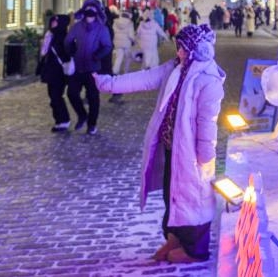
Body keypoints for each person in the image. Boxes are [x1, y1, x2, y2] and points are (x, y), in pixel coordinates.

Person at [93, 24, 226, 264]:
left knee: (193, 197)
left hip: (192, 153)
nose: (179, 52)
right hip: (171, 147)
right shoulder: (176, 68)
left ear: (196, 49)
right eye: (178, 48)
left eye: (183, 48)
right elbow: (145, 79)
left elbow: (207, 122)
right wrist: (109, 83)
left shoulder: (208, 79)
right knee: (172, 193)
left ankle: (195, 250)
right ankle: (176, 237)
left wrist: (205, 156)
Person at [65, 0, 112, 134]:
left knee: (93, 97)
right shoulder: (77, 26)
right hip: (78, 67)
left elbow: (107, 46)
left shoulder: (101, 29)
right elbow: (68, 40)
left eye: (92, 14)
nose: (89, 17)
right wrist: (71, 51)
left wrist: (97, 56)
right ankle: (82, 115)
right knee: (72, 93)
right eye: (87, 14)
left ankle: (92, 124)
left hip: (93, 68)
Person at [38, 14, 72, 132]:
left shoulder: (63, 37)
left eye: (55, 22)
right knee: (52, 96)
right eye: (52, 22)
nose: (53, 24)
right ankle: (59, 120)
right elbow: (44, 53)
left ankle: (64, 120)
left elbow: (67, 54)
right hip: (50, 70)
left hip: (59, 72)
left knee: (56, 96)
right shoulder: (50, 35)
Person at [110, 5, 136, 103]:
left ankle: (115, 71)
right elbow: (131, 34)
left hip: (117, 42)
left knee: (118, 57)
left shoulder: (115, 22)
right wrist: (133, 40)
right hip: (126, 43)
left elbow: (113, 32)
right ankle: (126, 72)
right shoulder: (129, 23)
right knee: (127, 58)